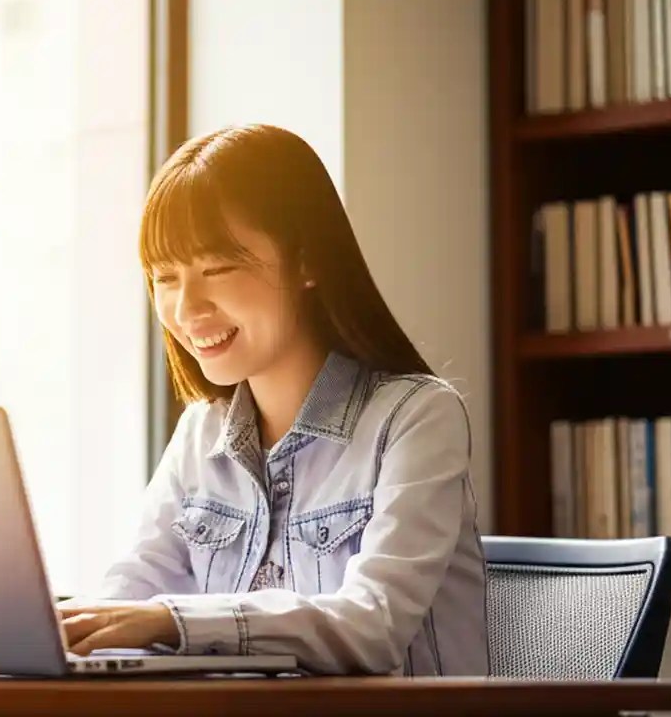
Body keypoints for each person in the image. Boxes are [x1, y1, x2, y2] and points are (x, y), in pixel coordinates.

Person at [58, 124, 488, 676]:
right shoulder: (201, 432)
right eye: (165, 277)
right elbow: (128, 597)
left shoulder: (416, 418)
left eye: (217, 268)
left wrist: (170, 621)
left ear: (307, 261)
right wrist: (63, 628)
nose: (187, 309)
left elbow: (371, 626)